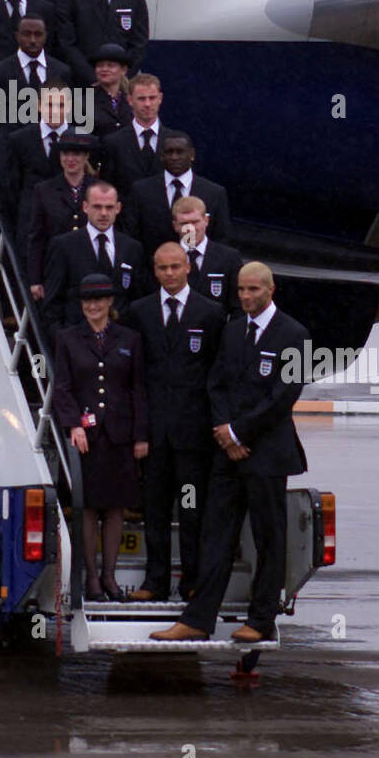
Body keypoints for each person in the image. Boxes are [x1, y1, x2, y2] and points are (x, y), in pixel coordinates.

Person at [150, 263, 309, 644]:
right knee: (215, 536)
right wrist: (225, 433)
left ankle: (261, 619)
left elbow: (283, 397)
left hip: (266, 454)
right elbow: (215, 383)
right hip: (227, 453)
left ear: (271, 290)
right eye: (240, 290)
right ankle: (199, 618)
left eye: (253, 289)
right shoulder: (233, 329)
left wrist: (239, 431)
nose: (245, 296)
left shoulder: (296, 335)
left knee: (269, 538)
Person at [122, 242, 226, 602]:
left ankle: (192, 580)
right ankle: (155, 581)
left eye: (175, 267)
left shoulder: (210, 314)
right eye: (162, 267)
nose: (169, 273)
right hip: (154, 438)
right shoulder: (139, 312)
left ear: (187, 268)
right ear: (154, 270)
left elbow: (216, 374)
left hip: (192, 439)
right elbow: (135, 376)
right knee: (155, 511)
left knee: (192, 509)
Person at [53, 274, 148, 601]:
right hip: (87, 436)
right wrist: (73, 425)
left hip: (120, 434)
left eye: (99, 300)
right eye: (87, 301)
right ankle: (91, 578)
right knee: (88, 507)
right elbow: (63, 387)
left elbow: (137, 389)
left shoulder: (130, 338)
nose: (93, 306)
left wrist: (140, 435)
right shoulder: (68, 338)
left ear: (110, 302)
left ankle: (110, 577)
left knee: (116, 507)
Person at [43, 180, 144, 335]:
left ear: (118, 208)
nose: (103, 213)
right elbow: (52, 302)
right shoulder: (63, 245)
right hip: (76, 341)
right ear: (85, 207)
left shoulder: (131, 248)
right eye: (97, 207)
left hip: (119, 343)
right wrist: (62, 340)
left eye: (109, 207)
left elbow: (135, 299)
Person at [0, 84, 72, 258]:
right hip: (30, 223)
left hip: (68, 227)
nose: (54, 111)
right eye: (49, 105)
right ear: (38, 105)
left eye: (60, 105)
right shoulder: (20, 139)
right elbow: (10, 184)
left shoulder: (81, 139)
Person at [122, 132, 232, 254]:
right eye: (169, 152)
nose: (174, 157)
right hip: (152, 267)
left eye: (180, 152)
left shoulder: (214, 193)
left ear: (192, 155)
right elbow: (131, 235)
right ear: (161, 156)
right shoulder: (141, 191)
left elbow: (222, 238)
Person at [27, 128, 98, 299]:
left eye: (77, 154)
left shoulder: (98, 188)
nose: (71, 159)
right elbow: (37, 237)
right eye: (66, 153)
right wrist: (35, 279)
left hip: (90, 267)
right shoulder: (44, 190)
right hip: (55, 270)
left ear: (86, 156)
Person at [0, 17, 71, 144]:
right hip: (11, 149)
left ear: (46, 36)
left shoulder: (61, 71)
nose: (33, 40)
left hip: (50, 148)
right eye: (27, 34)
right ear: (17, 36)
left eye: (38, 34)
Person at [173, 196, 243, 316]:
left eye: (195, 222)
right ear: (175, 225)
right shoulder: (165, 258)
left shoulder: (229, 259)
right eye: (184, 223)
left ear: (206, 220)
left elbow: (238, 307)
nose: (191, 229)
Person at [101, 74, 171, 195]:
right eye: (141, 99)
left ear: (160, 98)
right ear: (130, 100)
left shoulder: (174, 141)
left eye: (152, 98)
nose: (147, 104)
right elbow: (108, 188)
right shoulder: (113, 143)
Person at [86, 43, 132, 139]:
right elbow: (80, 142)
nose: (104, 69)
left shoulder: (132, 101)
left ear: (123, 70)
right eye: (100, 65)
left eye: (111, 66)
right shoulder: (83, 102)